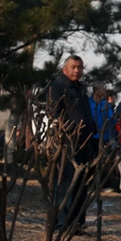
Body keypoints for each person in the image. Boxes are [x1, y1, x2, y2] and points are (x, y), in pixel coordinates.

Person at [47, 55, 96, 231]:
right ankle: (62, 223)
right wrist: (63, 136)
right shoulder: (58, 87)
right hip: (68, 143)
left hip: (85, 143)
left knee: (82, 185)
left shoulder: (80, 89)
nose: (77, 71)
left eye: (80, 67)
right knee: (67, 183)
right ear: (64, 69)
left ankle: (77, 223)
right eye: (74, 67)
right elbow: (54, 114)